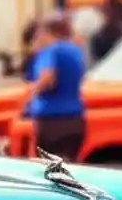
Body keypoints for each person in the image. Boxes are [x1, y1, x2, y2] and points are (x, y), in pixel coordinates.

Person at [26, 12, 87, 161]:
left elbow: (48, 79)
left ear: (46, 32)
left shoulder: (50, 51)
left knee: (49, 166)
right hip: (75, 119)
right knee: (67, 165)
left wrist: (31, 93)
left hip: (51, 121)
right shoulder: (75, 50)